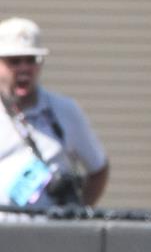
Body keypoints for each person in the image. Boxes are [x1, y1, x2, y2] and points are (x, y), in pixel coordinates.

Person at [0, 17, 109, 211]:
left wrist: (77, 214)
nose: (24, 69)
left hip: (48, 228)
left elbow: (98, 169)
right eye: (14, 61)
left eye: (31, 60)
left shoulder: (64, 110)